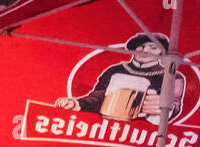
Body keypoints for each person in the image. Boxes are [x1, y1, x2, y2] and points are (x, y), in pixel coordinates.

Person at [55, 33, 185, 123]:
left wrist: (163, 108)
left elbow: (174, 105)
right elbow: (98, 96)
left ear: (162, 54)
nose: (145, 50)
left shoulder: (171, 78)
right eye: (141, 46)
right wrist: (77, 103)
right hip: (105, 130)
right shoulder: (115, 70)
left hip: (142, 137)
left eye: (153, 47)